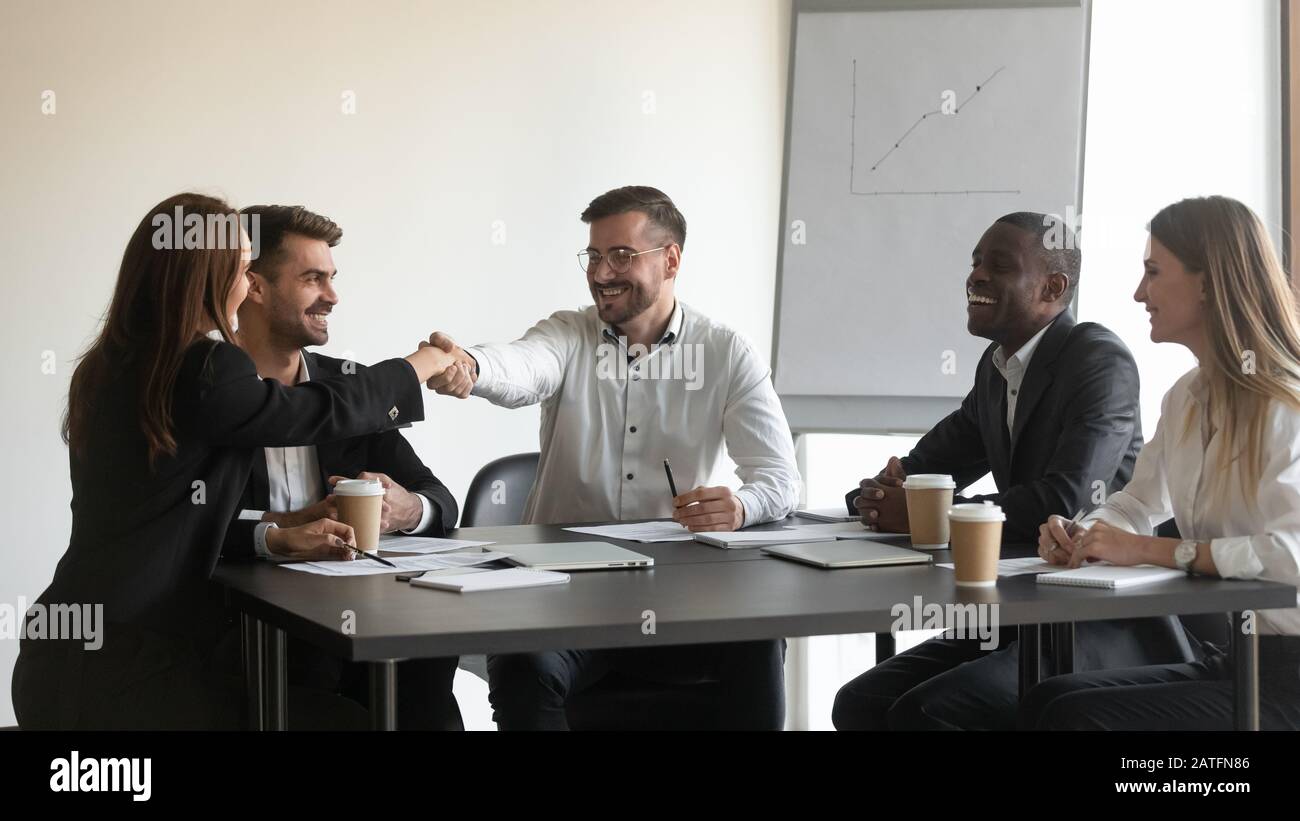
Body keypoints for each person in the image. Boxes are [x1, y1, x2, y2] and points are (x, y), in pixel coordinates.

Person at [11, 193, 459, 729]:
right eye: (243, 269)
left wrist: (285, 527)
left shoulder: (115, 364)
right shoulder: (206, 367)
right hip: (129, 670)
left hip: (64, 653)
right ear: (205, 273)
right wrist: (420, 365)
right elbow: (314, 411)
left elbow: (167, 511)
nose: (248, 285)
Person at [427, 185, 800, 729]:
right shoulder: (569, 333)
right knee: (523, 664)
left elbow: (780, 479)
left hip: (680, 601)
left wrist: (741, 506)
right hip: (563, 601)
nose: (602, 273)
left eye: (622, 255)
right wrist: (472, 367)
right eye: (594, 256)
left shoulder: (724, 352)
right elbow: (523, 366)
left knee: (758, 637)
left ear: (670, 259)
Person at [833, 212, 1193, 731]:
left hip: (1094, 619)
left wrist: (922, 514)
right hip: (1020, 609)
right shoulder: (997, 368)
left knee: (926, 713)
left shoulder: (1097, 359)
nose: (975, 276)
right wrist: (873, 495)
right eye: (975, 262)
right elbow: (929, 465)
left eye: (997, 266)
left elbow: (1066, 497)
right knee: (859, 703)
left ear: (1053, 287)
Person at [1025, 195, 1300, 730]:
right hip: (1244, 662)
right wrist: (1086, 534)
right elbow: (1137, 503)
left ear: (1209, 281)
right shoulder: (1187, 399)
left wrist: (1149, 550)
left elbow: (1291, 558)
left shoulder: (1285, 406)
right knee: (1045, 700)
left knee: (1076, 720)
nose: (1138, 293)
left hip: (1290, 684)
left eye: (1153, 272)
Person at [222, 204, 462, 730]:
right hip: (242, 627)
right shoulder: (212, 387)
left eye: (332, 278)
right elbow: (196, 530)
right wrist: (284, 531)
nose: (332, 296)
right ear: (254, 286)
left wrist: (408, 509)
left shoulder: (347, 383)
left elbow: (440, 499)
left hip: (356, 617)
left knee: (425, 667)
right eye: (312, 278)